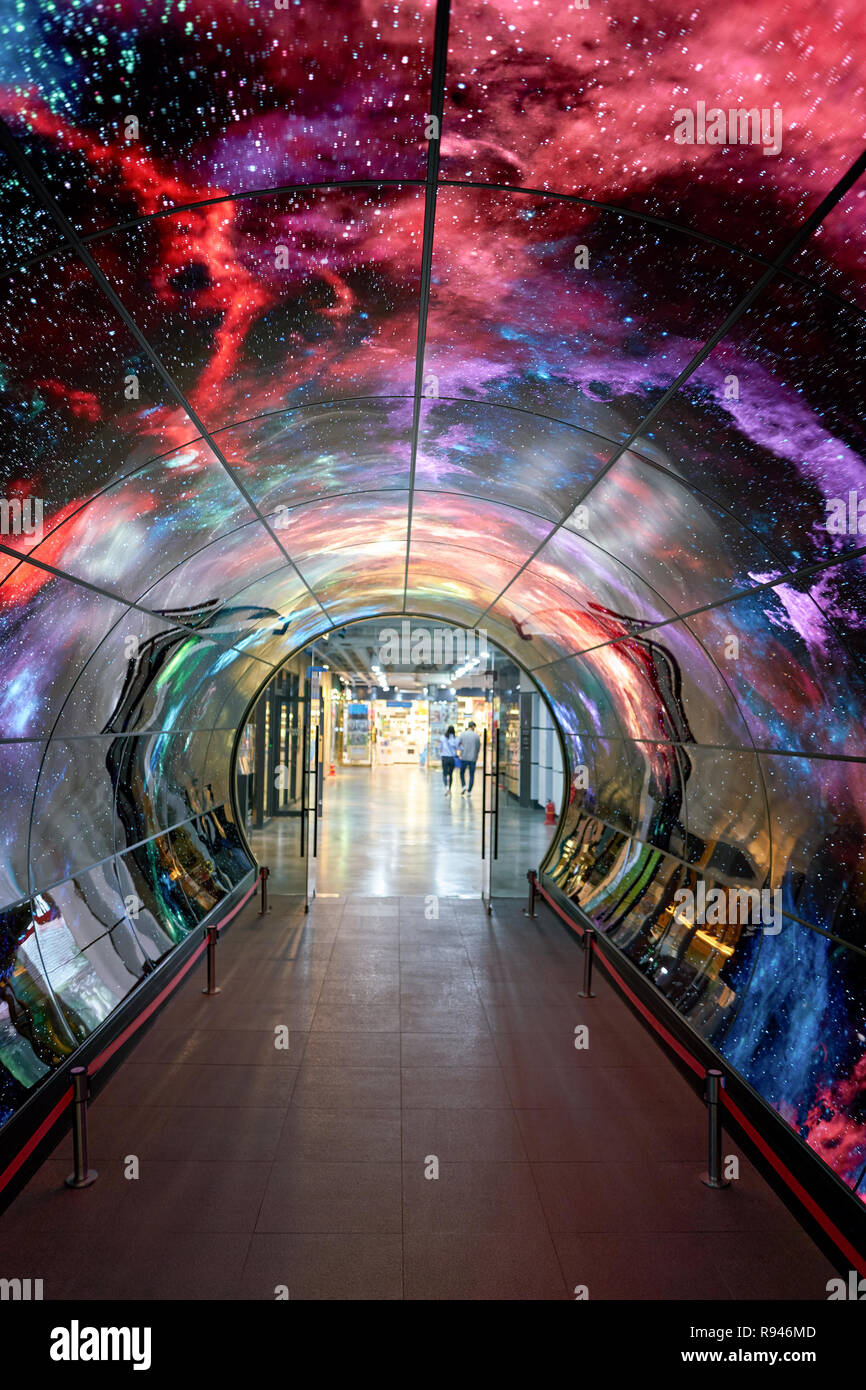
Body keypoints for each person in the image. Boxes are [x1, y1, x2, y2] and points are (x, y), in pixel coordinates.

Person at [457, 721, 481, 796]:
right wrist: (476, 755)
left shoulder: (462, 734)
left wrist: (461, 752)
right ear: (473, 726)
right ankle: (469, 791)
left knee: (462, 773)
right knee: (471, 774)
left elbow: (458, 744)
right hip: (472, 758)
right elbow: (478, 747)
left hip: (464, 757)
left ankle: (464, 785)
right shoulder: (476, 736)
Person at [439, 725, 458, 795]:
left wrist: (441, 753)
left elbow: (440, 747)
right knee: (451, 774)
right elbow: (458, 747)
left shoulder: (442, 738)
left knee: (444, 773)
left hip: (444, 758)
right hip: (452, 758)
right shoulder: (455, 739)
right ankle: (450, 788)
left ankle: (446, 787)